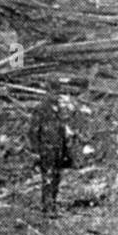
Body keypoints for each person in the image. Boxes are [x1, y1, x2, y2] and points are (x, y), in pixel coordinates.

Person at [27, 80, 72, 215]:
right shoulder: (41, 109)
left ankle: (52, 203)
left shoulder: (58, 109)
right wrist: (35, 151)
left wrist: (66, 150)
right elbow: (33, 131)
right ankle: (48, 207)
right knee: (48, 177)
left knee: (56, 177)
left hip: (58, 149)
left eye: (58, 93)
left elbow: (62, 131)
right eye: (54, 92)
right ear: (48, 92)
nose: (56, 96)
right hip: (46, 149)